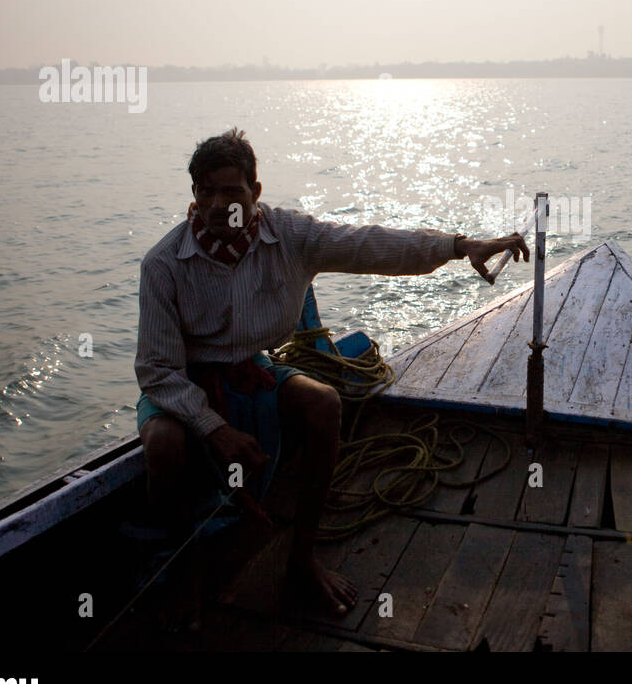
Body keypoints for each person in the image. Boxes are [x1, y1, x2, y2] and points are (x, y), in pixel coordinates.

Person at [134, 127, 529, 616]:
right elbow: (156, 372)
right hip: (183, 384)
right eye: (206, 191)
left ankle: (301, 560)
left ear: (255, 193)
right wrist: (214, 429)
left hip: (253, 371)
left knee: (323, 402)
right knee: (164, 445)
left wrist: (458, 246)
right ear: (193, 195)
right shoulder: (164, 264)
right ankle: (185, 575)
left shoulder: (292, 238)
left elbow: (370, 245)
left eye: (231, 190)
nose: (218, 204)